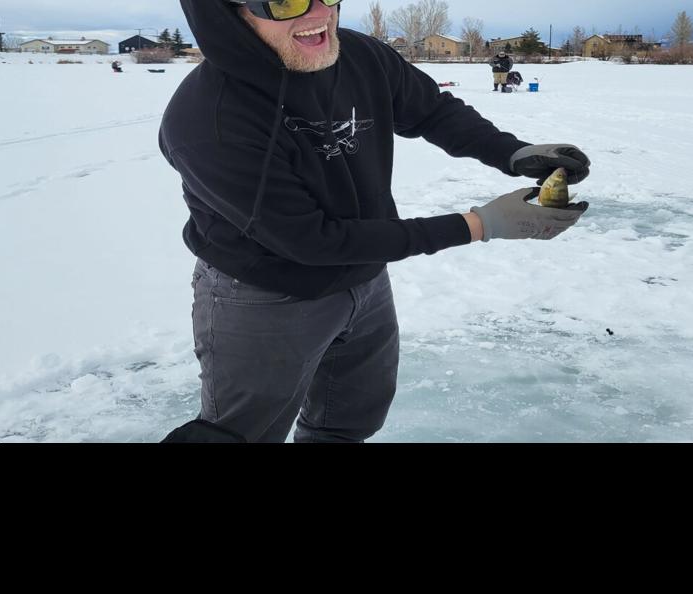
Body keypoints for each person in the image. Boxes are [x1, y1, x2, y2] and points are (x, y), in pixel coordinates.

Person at [158, 0, 591, 443]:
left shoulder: (359, 55)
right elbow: (312, 241)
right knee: (240, 432)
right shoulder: (208, 118)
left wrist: (512, 153)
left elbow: (433, 111)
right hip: (265, 293)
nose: (317, 14)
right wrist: (480, 224)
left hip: (366, 276)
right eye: (285, 1)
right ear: (227, 13)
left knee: (348, 421)